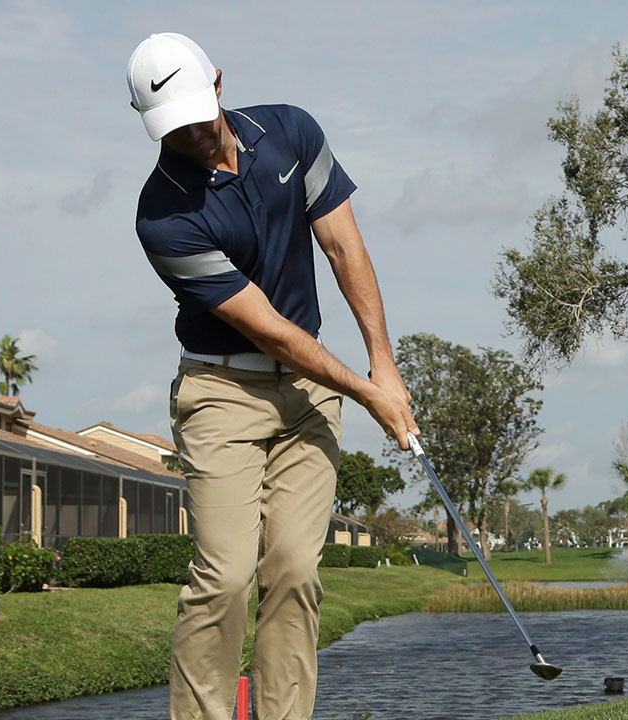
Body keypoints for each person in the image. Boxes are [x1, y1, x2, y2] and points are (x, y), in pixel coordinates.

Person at [126, 32, 417, 720]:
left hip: (307, 395)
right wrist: (366, 393)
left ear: (218, 84)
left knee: (294, 570)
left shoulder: (292, 133)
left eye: (198, 117)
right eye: (173, 127)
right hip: (222, 394)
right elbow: (270, 329)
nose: (192, 136)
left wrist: (385, 365)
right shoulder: (162, 216)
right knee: (225, 578)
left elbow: (344, 246)